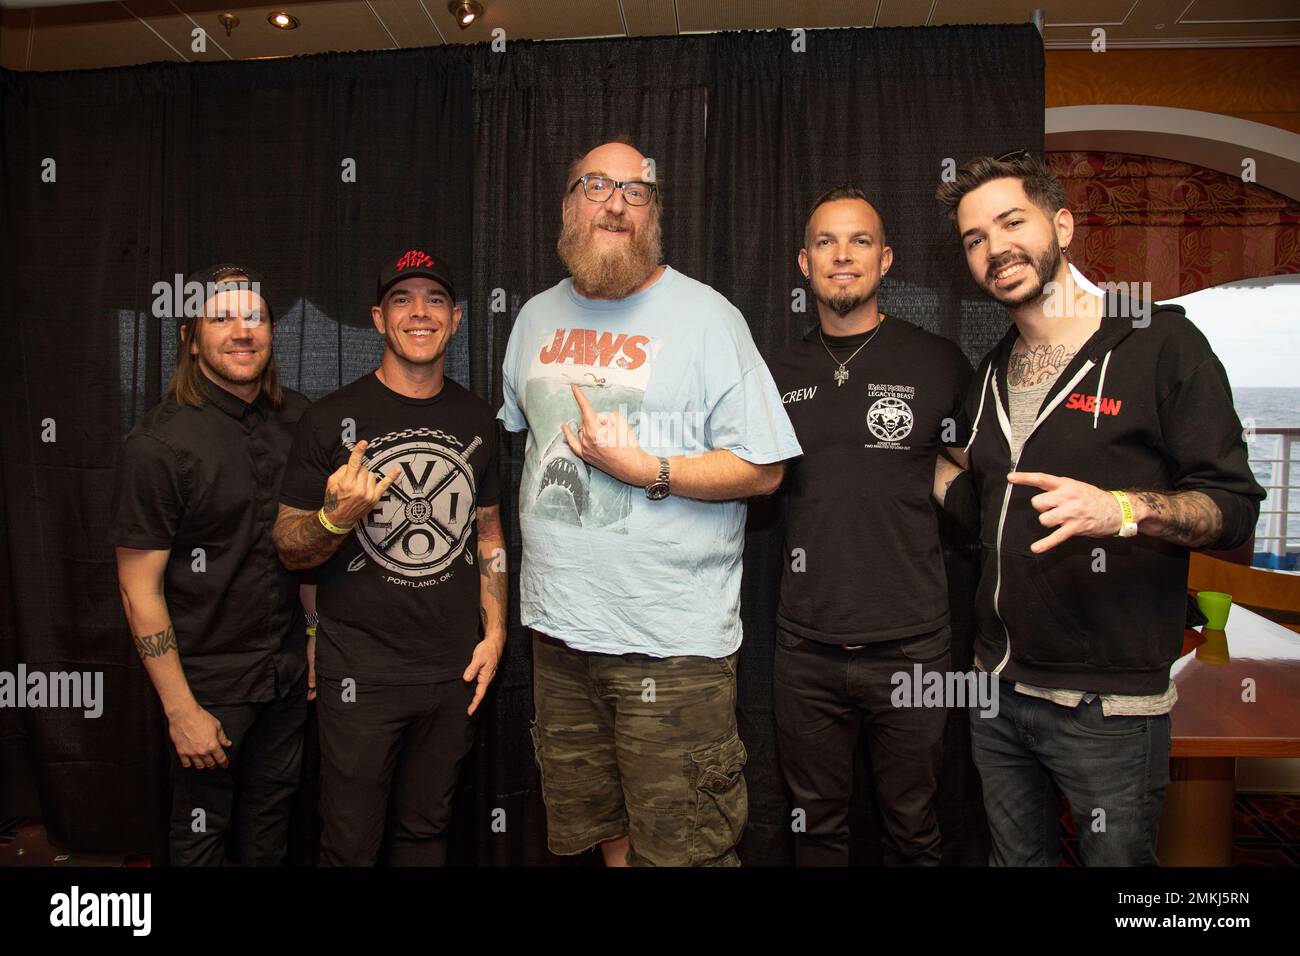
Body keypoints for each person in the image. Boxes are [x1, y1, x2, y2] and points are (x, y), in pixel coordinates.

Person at [933, 151, 1265, 865]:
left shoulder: (1159, 342)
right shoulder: (992, 369)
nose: (995, 248)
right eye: (974, 239)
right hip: (996, 689)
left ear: (1063, 224)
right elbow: (984, 485)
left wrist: (1120, 509)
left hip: (1106, 709)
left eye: (1011, 222)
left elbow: (1234, 508)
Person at [499, 139, 802, 866]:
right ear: (569, 204)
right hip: (560, 635)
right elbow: (524, 438)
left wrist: (648, 469)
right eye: (598, 185)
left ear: (654, 214)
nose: (616, 204)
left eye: (637, 192)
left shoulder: (708, 317)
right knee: (604, 831)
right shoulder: (534, 319)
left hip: (670, 645)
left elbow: (764, 469)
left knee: (685, 850)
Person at [273, 249, 505, 866]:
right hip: (361, 674)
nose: (420, 313)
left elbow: (488, 534)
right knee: (349, 843)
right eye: (403, 300)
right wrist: (336, 517)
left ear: (455, 318)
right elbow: (291, 549)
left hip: (453, 671)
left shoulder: (477, 418)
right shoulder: (329, 421)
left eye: (434, 300)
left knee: (427, 834)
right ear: (379, 319)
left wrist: (498, 630)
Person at [766, 185, 972, 865]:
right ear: (804, 262)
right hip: (806, 647)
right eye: (826, 242)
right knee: (815, 831)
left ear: (886, 260)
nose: (842, 255)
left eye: (859, 241)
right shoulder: (775, 372)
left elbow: (982, 482)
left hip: (912, 645)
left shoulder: (937, 361)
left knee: (914, 828)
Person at [113, 263, 313, 866]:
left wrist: (311, 639)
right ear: (189, 336)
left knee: (271, 828)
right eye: (220, 318)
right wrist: (181, 711)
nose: (241, 331)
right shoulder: (157, 445)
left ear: (272, 331)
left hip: (284, 681)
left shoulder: (301, 423)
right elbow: (136, 588)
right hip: (207, 689)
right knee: (199, 837)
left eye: (253, 316)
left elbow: (304, 548)